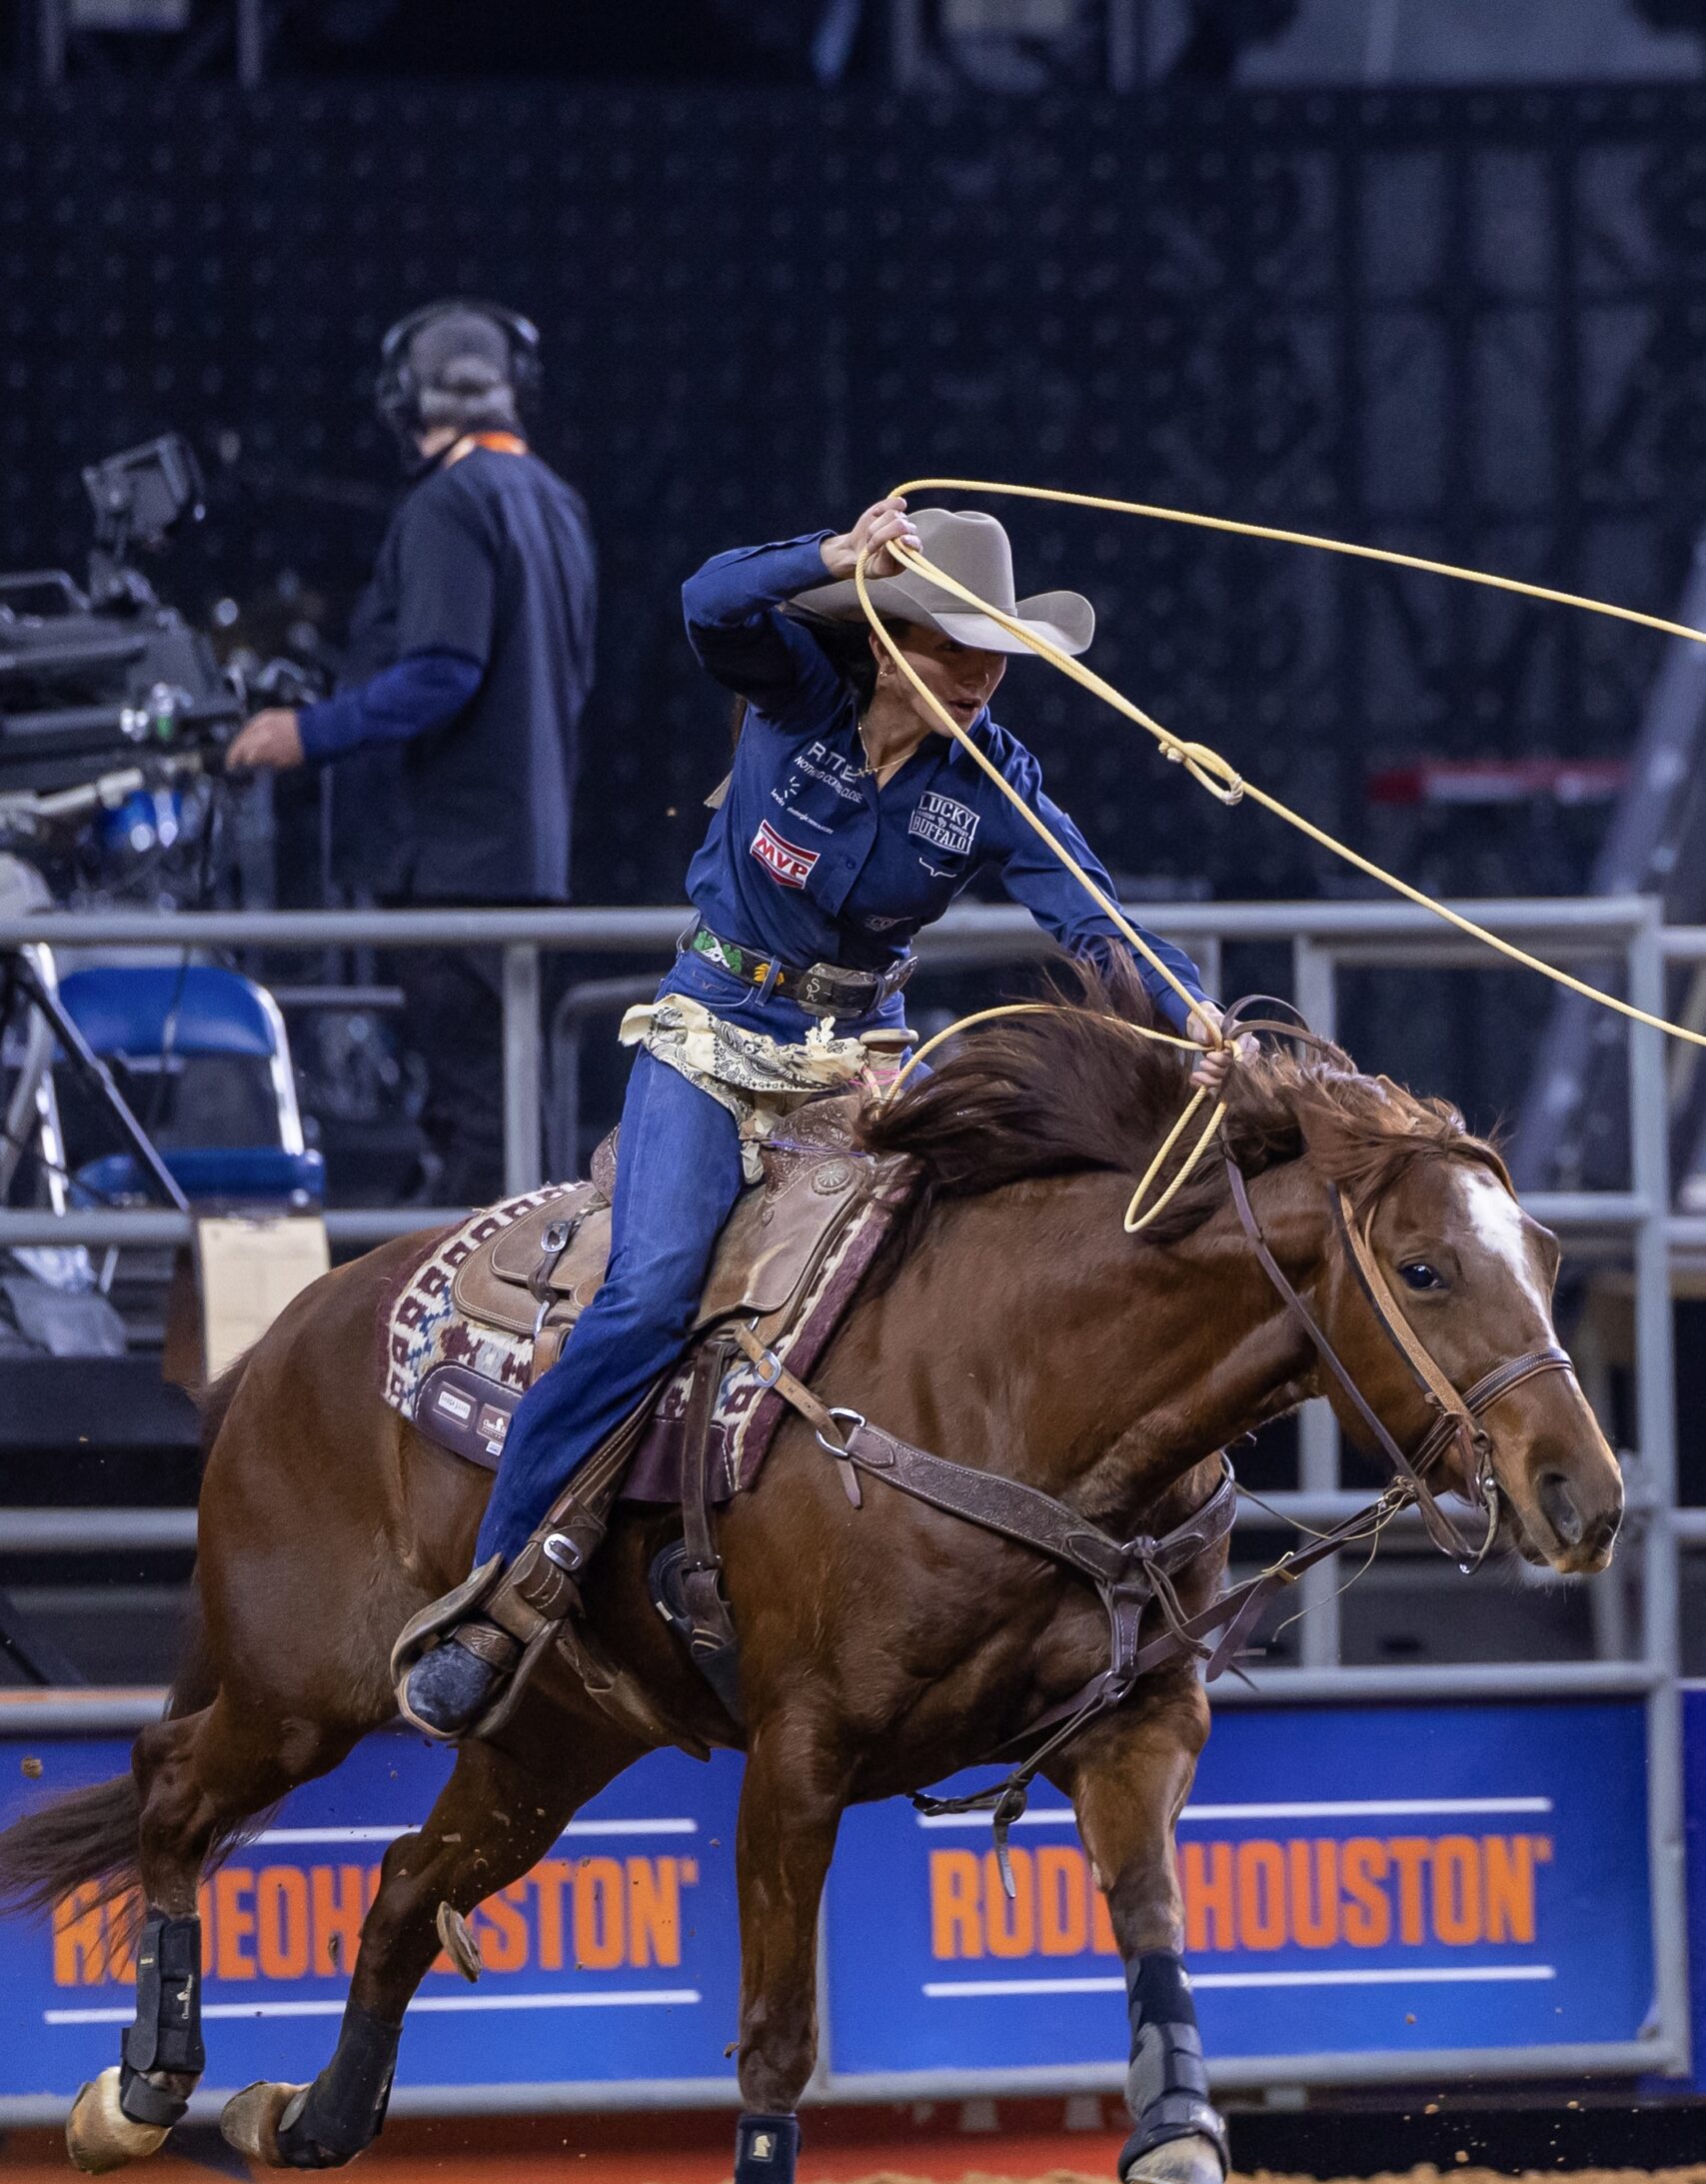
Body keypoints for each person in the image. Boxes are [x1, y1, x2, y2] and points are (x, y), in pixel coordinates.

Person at [396, 496, 1235, 1738]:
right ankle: (501, 1585)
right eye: (957, 645)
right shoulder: (796, 694)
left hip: (862, 1061)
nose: (984, 675)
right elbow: (709, 601)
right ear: (890, 642)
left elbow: (1089, 911)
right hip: (714, 1031)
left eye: (998, 652)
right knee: (651, 1288)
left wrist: (1192, 1012)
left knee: (946, 1274)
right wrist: (831, 557)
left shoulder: (991, 776)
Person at [227, 301, 597, 1205]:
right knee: (506, 1106)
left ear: (405, 400)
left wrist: (305, 733)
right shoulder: (555, 501)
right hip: (520, 863)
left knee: (481, 1126)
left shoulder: (449, 502)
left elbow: (441, 672)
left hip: (449, 867)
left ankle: (480, 1290)